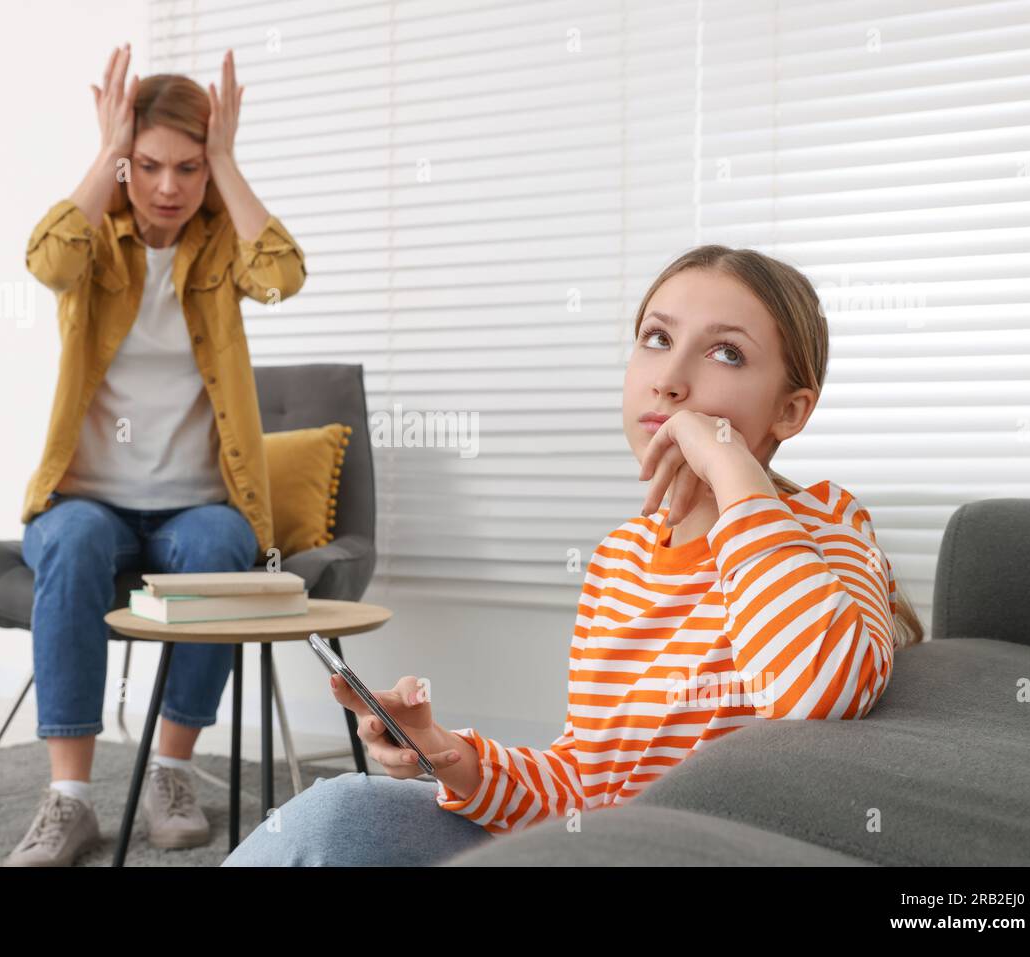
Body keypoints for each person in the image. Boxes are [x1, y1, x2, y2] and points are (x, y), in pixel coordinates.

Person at [222, 244, 925, 866]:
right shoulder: (622, 559)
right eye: (656, 338)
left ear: (791, 411)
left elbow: (819, 690)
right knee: (337, 813)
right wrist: (447, 753)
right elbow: (584, 786)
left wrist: (733, 469)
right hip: (595, 844)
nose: (670, 380)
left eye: (726, 352)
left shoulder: (825, 526)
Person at [8, 43, 306, 866]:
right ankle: (69, 798)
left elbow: (284, 276)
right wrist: (105, 154)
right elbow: (45, 258)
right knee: (71, 539)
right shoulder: (94, 245)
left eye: (189, 167)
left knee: (218, 547)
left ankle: (171, 770)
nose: (169, 187)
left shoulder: (218, 250)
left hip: (192, 508)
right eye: (148, 165)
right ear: (126, 164)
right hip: (85, 503)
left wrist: (230, 163)